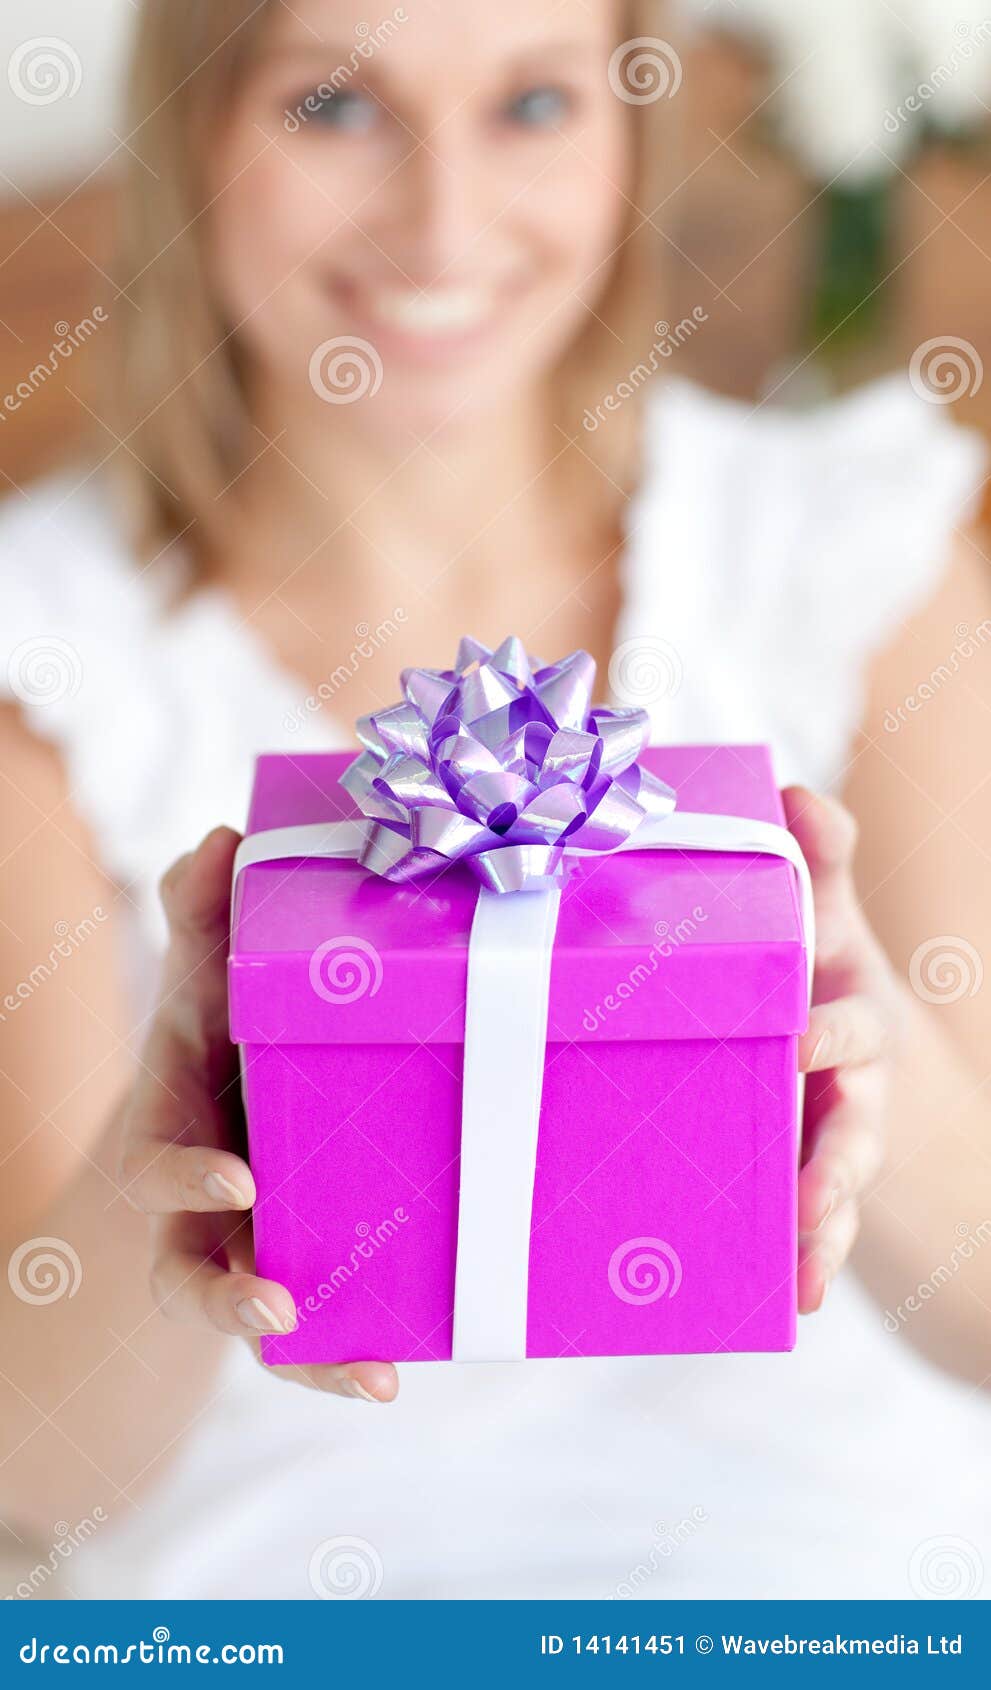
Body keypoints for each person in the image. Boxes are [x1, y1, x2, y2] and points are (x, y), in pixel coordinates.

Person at [1, 0, 989, 1602]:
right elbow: (38, 1478)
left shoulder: (853, 554)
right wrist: (151, 1164)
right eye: (336, 106)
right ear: (190, 130)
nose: (443, 221)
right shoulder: (41, 659)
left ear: (632, 132)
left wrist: (866, 1050)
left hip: (829, 1601)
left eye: (532, 105)